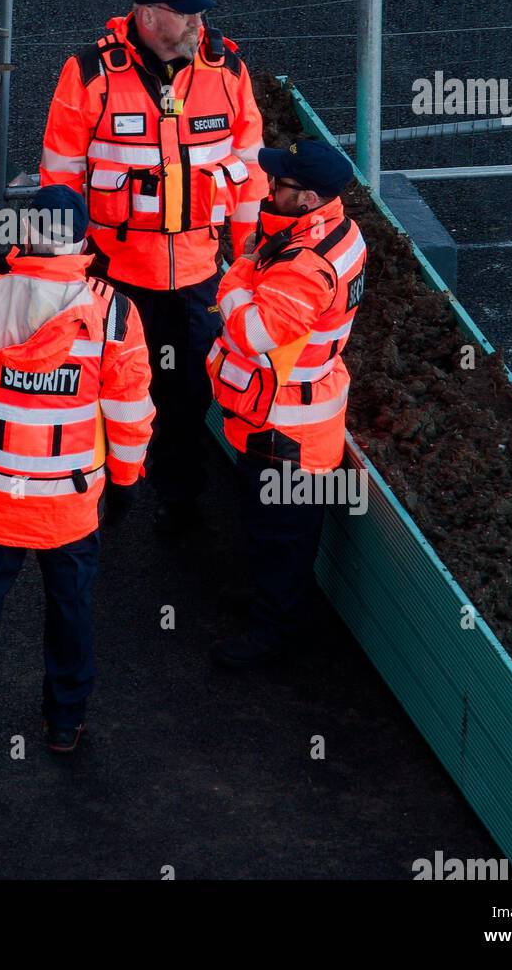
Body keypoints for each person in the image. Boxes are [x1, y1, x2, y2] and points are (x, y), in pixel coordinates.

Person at [0, 187, 154, 758]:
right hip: (71, 500)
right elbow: (129, 413)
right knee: (70, 607)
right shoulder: (114, 313)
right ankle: (65, 722)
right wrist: (125, 481)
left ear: (23, 234)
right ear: (80, 239)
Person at [38, 0, 266, 537]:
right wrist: (62, 271)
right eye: (185, 14)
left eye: (200, 13)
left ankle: (178, 499)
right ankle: (99, 490)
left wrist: (250, 260)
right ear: (146, 16)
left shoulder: (229, 69)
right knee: (104, 386)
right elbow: (60, 178)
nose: (198, 23)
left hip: (197, 272)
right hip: (116, 273)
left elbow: (251, 175)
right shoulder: (88, 73)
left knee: (189, 392)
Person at [205, 140, 366, 668]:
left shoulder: (302, 265)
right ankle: (269, 608)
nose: (269, 188)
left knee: (282, 537)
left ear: (309, 198)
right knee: (273, 529)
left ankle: (273, 633)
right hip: (294, 416)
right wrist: (255, 263)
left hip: (285, 430)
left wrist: (234, 276)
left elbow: (253, 331)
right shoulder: (335, 232)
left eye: (281, 185)